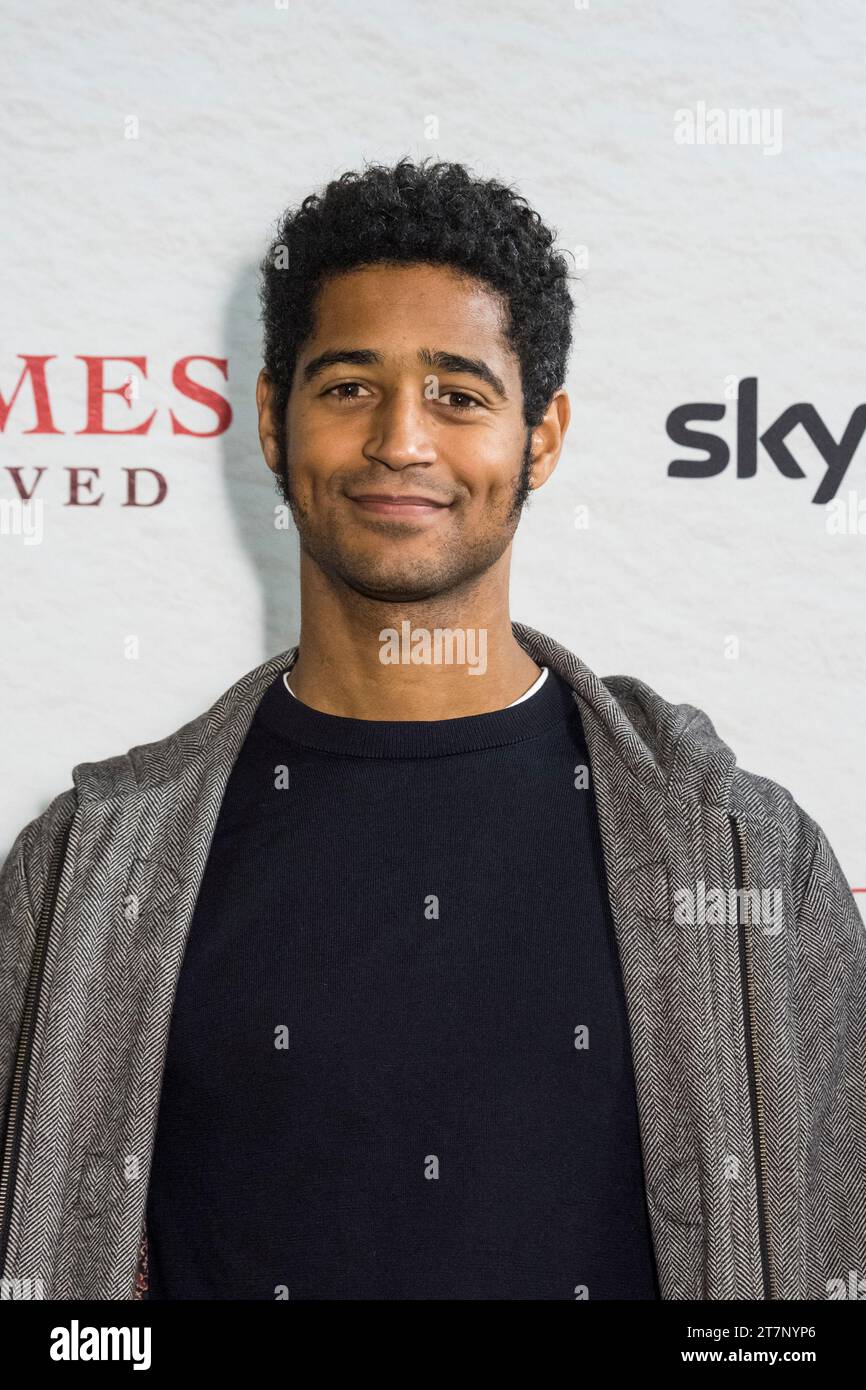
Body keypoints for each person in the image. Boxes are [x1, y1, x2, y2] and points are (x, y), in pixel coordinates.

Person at [1, 158, 863, 1301]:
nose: (401, 440)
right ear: (271, 416)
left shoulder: (746, 861)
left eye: (458, 393)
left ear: (540, 436)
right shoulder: (86, 871)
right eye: (349, 386)